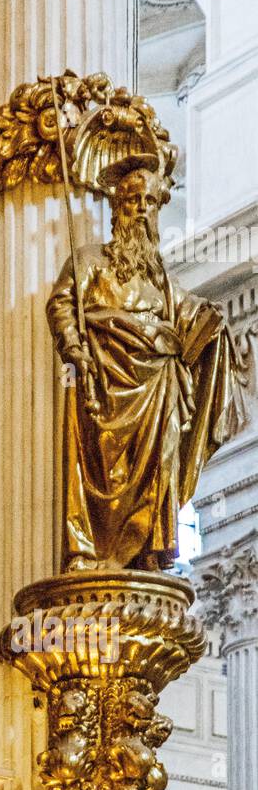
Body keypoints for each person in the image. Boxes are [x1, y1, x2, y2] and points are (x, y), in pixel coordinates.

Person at [48, 156, 243, 570]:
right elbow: (62, 302)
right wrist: (74, 349)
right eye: (133, 201)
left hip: (159, 388)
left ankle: (147, 550)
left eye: (150, 203)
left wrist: (208, 323)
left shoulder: (159, 279)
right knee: (102, 467)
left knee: (163, 461)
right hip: (106, 379)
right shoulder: (90, 262)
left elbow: (186, 314)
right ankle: (95, 550)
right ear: (118, 208)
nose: (142, 210)